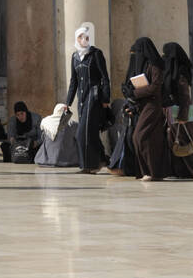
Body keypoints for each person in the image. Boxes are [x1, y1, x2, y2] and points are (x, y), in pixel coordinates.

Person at [64, 23, 111, 173]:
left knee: (82, 133)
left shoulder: (96, 54)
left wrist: (105, 99)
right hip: (82, 99)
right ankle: (103, 159)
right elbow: (74, 81)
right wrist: (68, 102)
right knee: (90, 132)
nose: (83, 39)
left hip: (95, 98)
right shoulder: (75, 57)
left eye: (86, 37)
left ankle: (88, 166)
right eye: (80, 37)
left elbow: (105, 78)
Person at [122, 37, 170, 181]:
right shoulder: (143, 65)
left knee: (139, 136)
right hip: (143, 105)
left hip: (153, 105)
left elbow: (155, 87)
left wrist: (135, 93)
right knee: (151, 140)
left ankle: (150, 171)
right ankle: (151, 172)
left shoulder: (156, 66)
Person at [161, 41, 193, 180]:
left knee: (186, 141)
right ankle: (180, 171)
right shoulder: (174, 71)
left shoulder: (180, 73)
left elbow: (184, 96)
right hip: (174, 111)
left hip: (182, 113)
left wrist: (182, 116)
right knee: (175, 141)